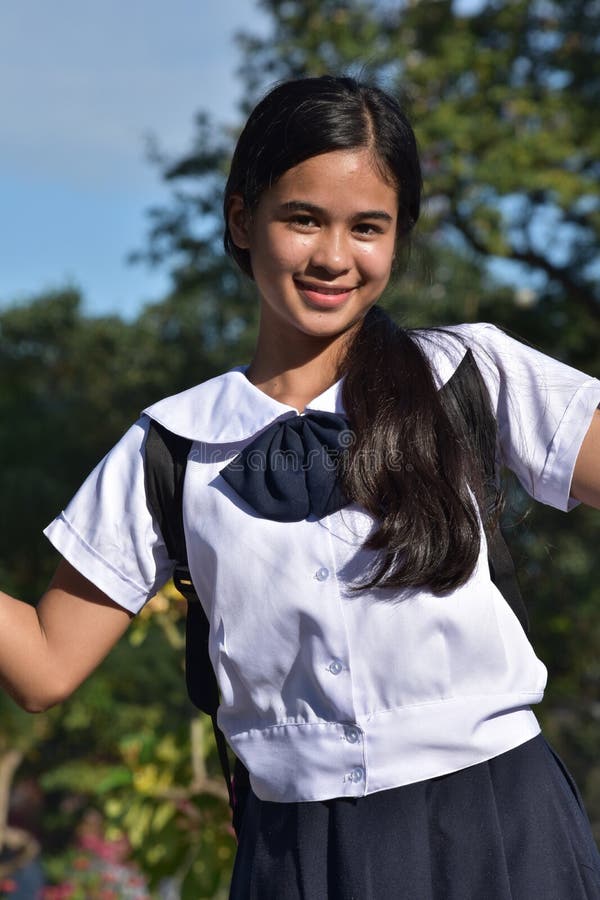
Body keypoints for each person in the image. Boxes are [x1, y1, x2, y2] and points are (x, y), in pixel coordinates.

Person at [1, 75, 600, 899]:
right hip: (297, 855)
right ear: (243, 220)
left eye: (368, 228)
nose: (333, 256)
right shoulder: (170, 446)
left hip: (501, 829)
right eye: (303, 219)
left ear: (398, 239)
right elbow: (42, 668)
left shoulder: (469, 372)